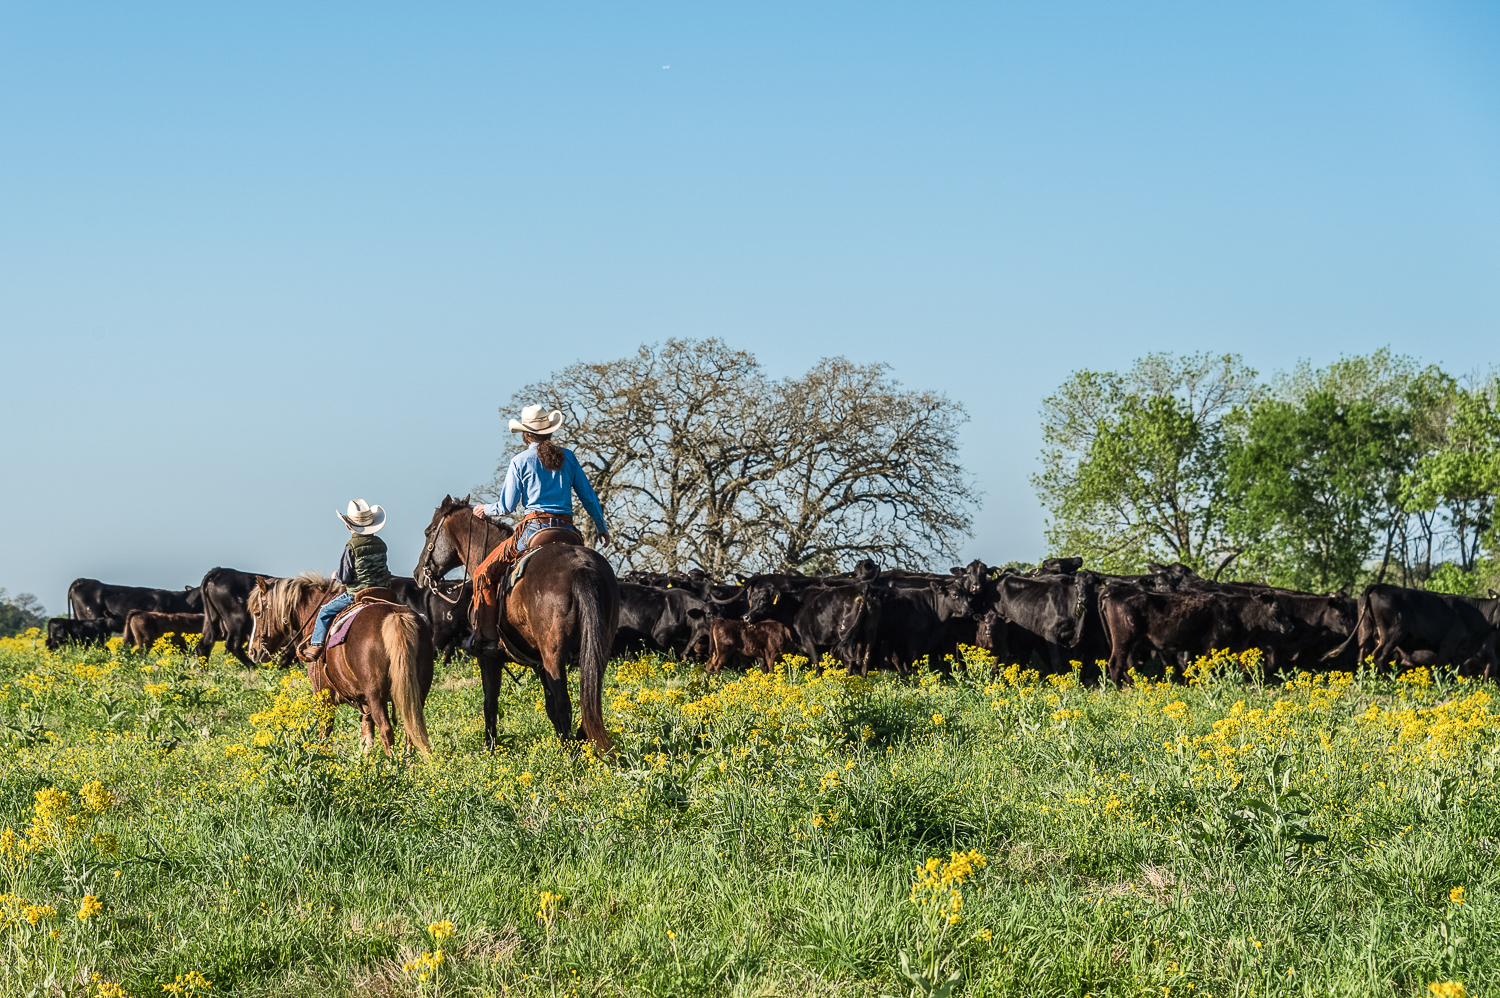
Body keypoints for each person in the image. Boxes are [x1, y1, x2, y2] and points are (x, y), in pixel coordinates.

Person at [470, 405, 610, 641]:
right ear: (550, 432)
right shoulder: (569, 457)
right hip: (567, 530)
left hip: (535, 529)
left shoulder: (519, 461)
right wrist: (601, 526)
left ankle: (488, 639)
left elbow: (506, 507)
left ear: (525, 434)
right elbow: (589, 497)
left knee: (482, 574)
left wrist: (485, 509)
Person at [305, 499, 393, 661]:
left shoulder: (351, 546)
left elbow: (345, 577)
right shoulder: (381, 543)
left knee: (324, 611)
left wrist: (335, 576)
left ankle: (316, 645)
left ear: (348, 526)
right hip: (384, 591)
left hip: (358, 593)